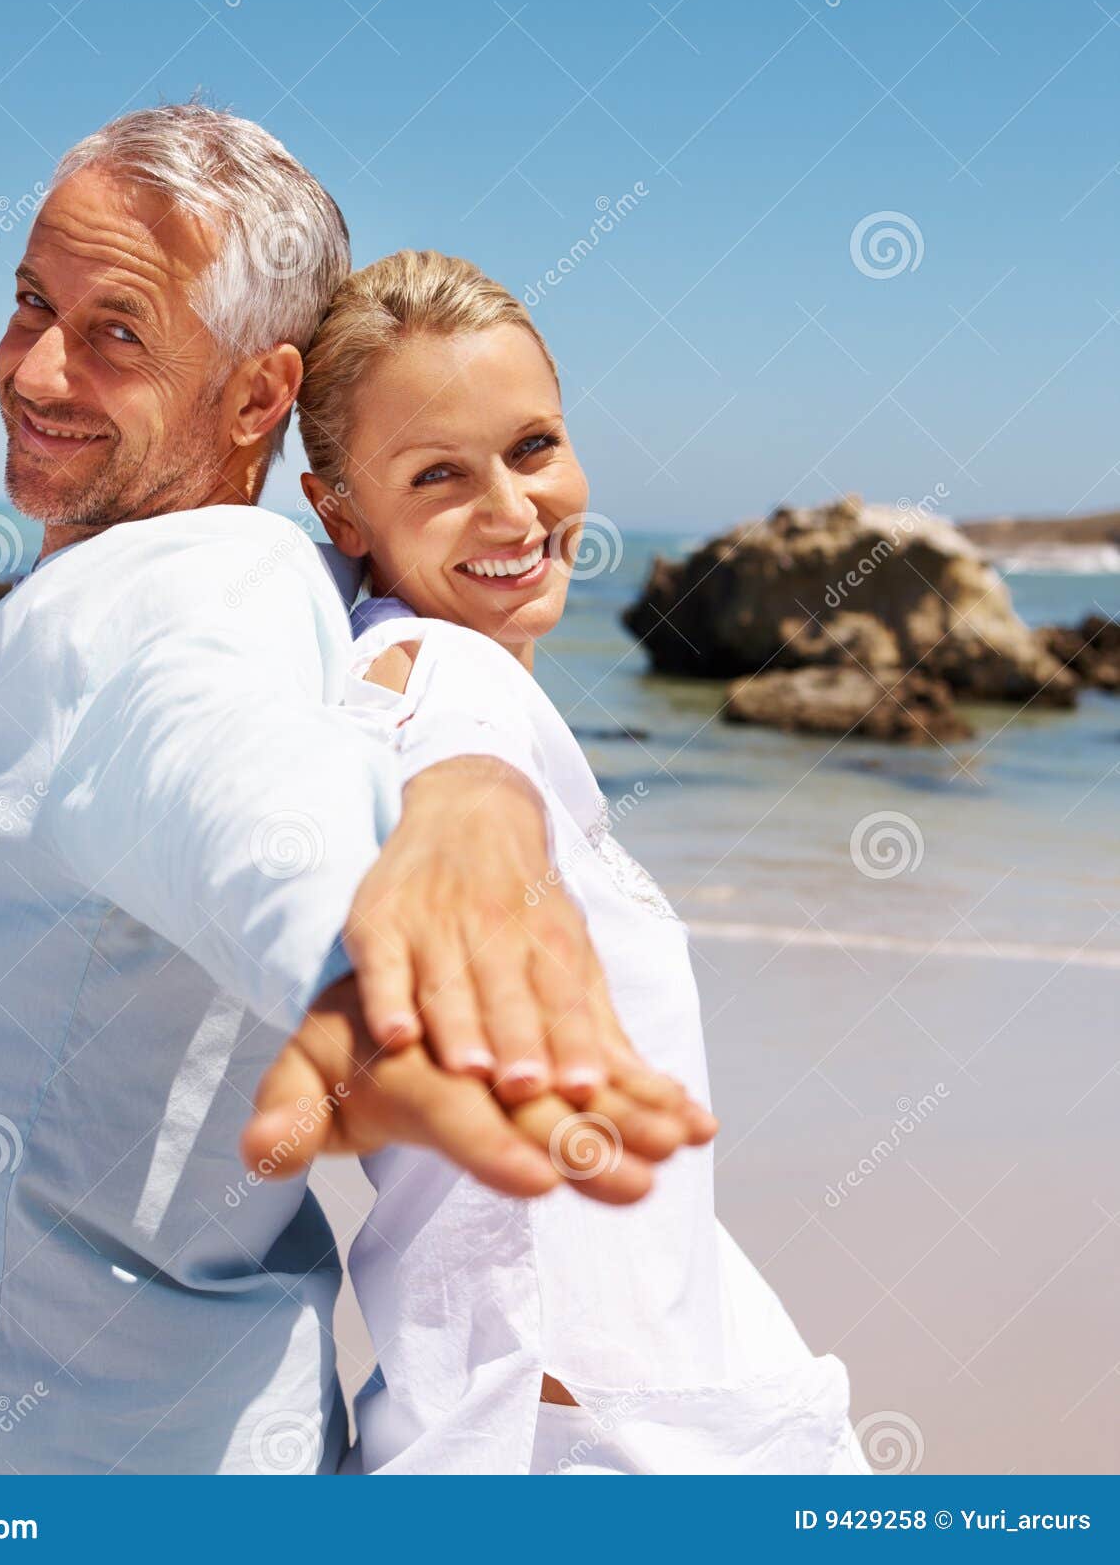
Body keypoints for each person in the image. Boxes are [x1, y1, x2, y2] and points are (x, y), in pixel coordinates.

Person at [0, 109, 713, 1476]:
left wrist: (353, 957)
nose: (35, 367)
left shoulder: (184, 593)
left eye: (116, 333)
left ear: (256, 397)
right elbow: (379, 708)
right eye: (33, 302)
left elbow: (213, 760)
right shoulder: (291, 593)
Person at [297, 249, 871, 1475]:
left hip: (611, 1415)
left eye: (533, 447)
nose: (513, 511)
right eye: (438, 474)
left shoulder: (463, 676)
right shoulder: (433, 677)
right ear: (339, 511)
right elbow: (444, 741)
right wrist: (464, 798)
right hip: (576, 1451)